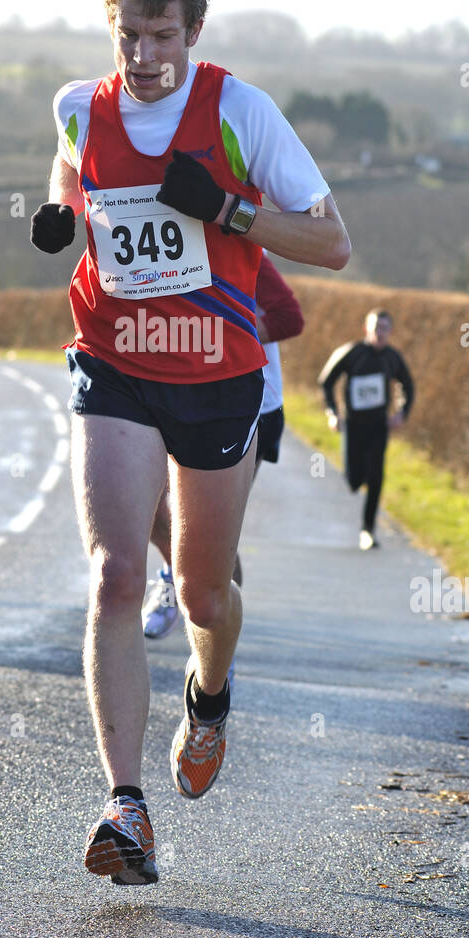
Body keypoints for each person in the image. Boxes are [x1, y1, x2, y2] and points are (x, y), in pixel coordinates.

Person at [30, 0, 350, 887]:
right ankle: (125, 809)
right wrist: (62, 215)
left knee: (205, 593)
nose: (141, 56)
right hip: (113, 360)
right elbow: (68, 164)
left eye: (160, 35)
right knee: (116, 574)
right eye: (127, 35)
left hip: (216, 375)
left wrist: (229, 211)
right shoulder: (79, 107)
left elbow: (332, 242)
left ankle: (208, 697)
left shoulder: (241, 112)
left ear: (194, 30)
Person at [142, 252, 305, 644]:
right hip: (177, 398)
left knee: (212, 531)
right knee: (148, 508)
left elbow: (288, 317)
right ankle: (172, 573)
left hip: (250, 406)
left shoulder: (241, 244)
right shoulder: (156, 241)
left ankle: (218, 643)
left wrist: (223, 339)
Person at [318, 308, 415, 550]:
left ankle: (368, 529)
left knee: (376, 475)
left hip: (379, 426)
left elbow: (409, 386)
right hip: (353, 424)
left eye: (384, 329)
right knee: (353, 480)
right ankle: (356, 478)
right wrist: (332, 412)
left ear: (390, 331)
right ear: (366, 329)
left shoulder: (392, 358)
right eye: (375, 328)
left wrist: (401, 413)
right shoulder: (353, 353)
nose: (379, 333)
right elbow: (327, 381)